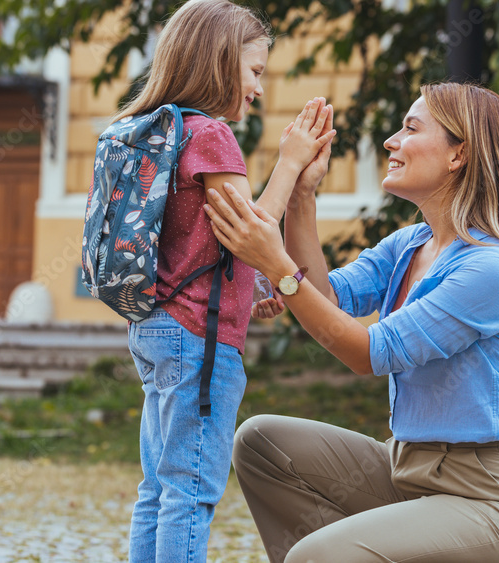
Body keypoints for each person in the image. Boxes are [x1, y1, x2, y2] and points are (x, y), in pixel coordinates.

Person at [202, 82, 499, 563]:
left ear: (459, 154)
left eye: (410, 128)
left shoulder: (491, 269)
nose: (391, 141)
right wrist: (302, 195)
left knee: (315, 557)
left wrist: (278, 268)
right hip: (405, 468)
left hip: (486, 498)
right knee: (262, 443)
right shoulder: (411, 244)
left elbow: (369, 353)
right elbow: (326, 297)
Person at [111, 1, 336, 561]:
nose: (258, 88)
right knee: (190, 493)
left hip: (155, 327)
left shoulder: (161, 129)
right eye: (254, 71)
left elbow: (194, 242)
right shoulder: (209, 134)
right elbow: (248, 231)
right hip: (199, 338)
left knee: (158, 489)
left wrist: (249, 289)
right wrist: (291, 163)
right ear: (218, 60)